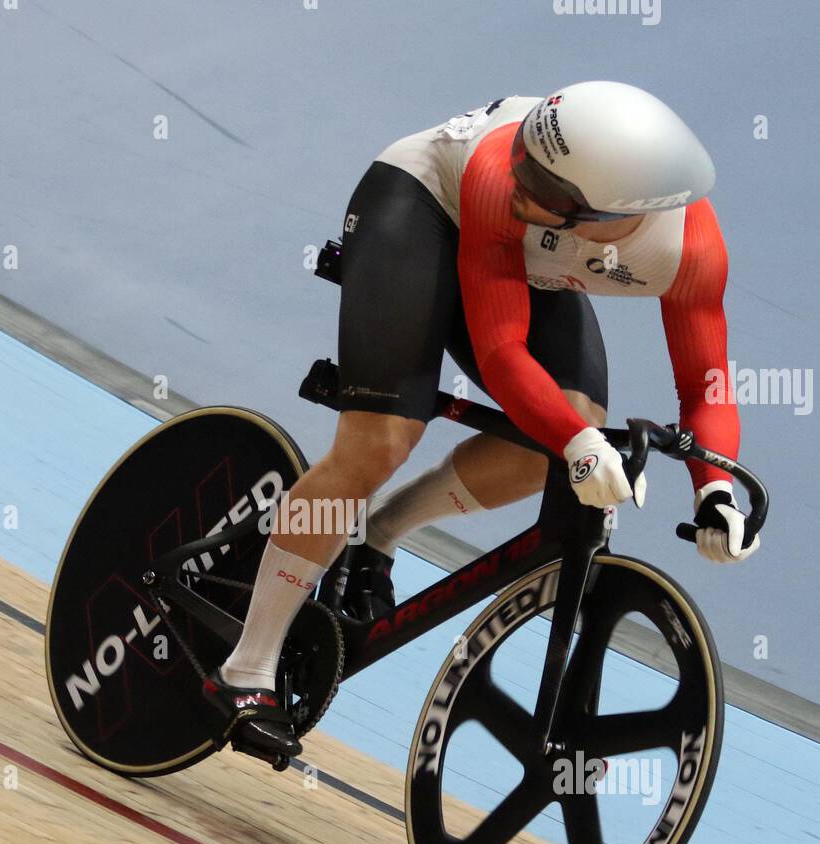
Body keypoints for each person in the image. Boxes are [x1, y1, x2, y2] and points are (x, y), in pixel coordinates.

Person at [203, 80, 759, 759]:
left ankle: (381, 532)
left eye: (545, 189)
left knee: (554, 437)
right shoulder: (504, 177)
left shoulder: (691, 252)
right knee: (379, 443)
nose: (521, 186)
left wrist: (716, 492)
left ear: (621, 212)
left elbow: (705, 386)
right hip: (427, 206)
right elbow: (500, 352)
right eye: (525, 164)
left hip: (529, 262)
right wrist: (580, 445)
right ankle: (246, 668)